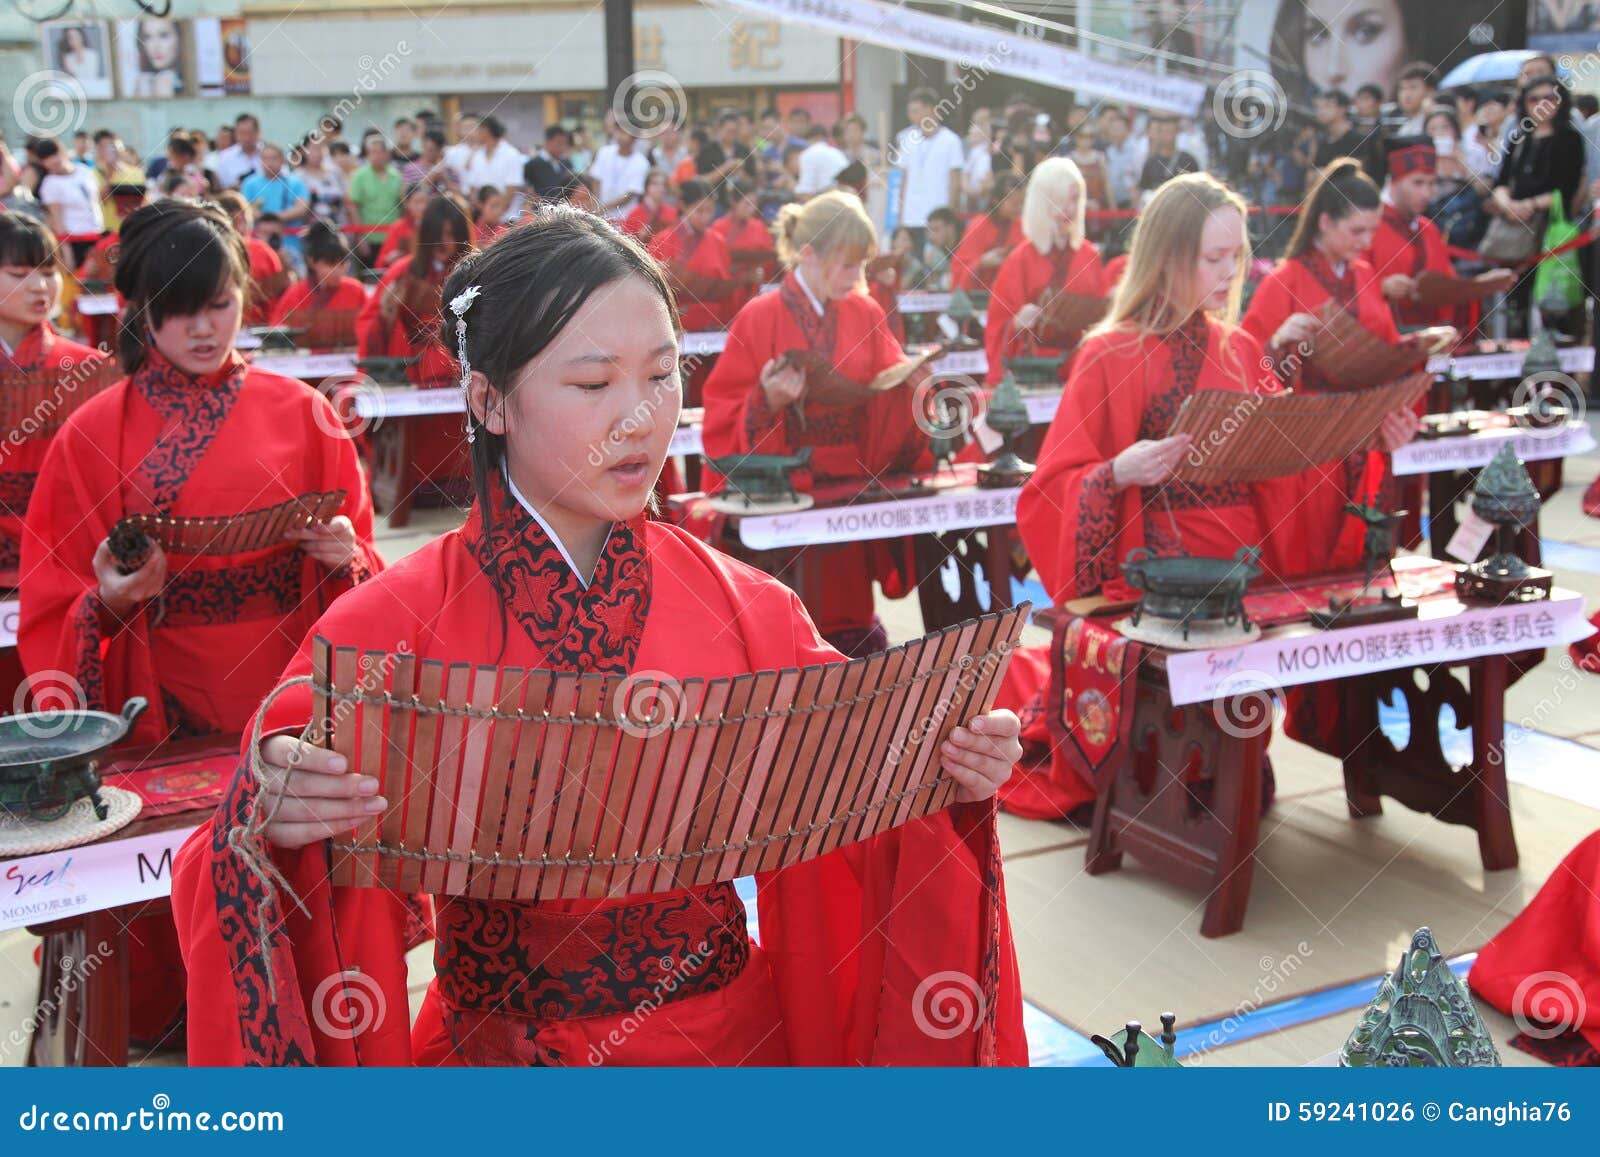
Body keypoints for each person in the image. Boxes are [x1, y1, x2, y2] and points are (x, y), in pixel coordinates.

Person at [169, 206, 1026, 1068]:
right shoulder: (389, 627)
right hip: (496, 1063)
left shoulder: (750, 610)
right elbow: (230, 857)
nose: (640, 418)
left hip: (730, 1049)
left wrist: (945, 765)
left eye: (662, 375)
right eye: (593, 384)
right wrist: (269, 813)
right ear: (488, 399)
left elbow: (868, 800)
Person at [20, 199, 379, 1047]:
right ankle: (172, 1022)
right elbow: (53, 597)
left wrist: (346, 560)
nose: (204, 327)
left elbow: (370, 589)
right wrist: (107, 598)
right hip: (156, 707)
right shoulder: (90, 432)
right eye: (181, 309)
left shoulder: (305, 414)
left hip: (280, 701)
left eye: (220, 303)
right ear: (140, 310)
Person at [1003, 175, 1313, 817]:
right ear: (1168, 257)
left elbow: (1289, 471)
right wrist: (1115, 472)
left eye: (1237, 257)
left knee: (1245, 791)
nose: (1232, 273)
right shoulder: (1108, 353)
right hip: (1150, 574)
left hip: (1242, 569)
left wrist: (1346, 439)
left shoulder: (1242, 347)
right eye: (1213, 258)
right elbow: (1049, 489)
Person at [701, 191, 934, 657]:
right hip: (787, 479)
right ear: (807, 255)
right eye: (848, 266)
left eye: (862, 266)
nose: (857, 278)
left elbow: (889, 376)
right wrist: (765, 400)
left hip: (851, 478)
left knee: (850, 616)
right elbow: (721, 409)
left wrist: (913, 383)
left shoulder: (866, 311)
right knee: (785, 609)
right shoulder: (759, 315)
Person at [1240, 159, 1435, 575]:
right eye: (1356, 231)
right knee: (1309, 564)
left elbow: (1384, 348)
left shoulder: (1365, 275)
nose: (1366, 242)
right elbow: (1244, 360)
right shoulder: (1284, 279)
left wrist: (1418, 346)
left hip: (1363, 438)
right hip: (1306, 445)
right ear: (1325, 222)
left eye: (1372, 231)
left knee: (1363, 563)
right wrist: (1276, 343)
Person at [0, 214, 111, 571]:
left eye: (49, 273)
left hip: (63, 558)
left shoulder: (93, 369)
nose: (40, 288)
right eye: (20, 275)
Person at [357, 193, 475, 493]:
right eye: (438, 235)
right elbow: (369, 326)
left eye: (452, 235)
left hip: (465, 362)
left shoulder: (478, 270)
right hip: (413, 365)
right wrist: (384, 318)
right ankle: (410, 482)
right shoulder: (403, 272)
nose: (445, 243)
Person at [984, 157, 1105, 385]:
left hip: (1082, 370)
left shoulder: (1089, 256)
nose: (1069, 210)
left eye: (1074, 201)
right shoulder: (1019, 260)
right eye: (1060, 202)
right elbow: (996, 327)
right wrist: (1016, 324)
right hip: (1033, 371)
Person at [1370, 137, 1512, 330]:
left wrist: (1482, 285)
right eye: (1417, 183)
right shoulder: (1368, 226)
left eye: (1431, 184)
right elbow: (1343, 289)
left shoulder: (1428, 229)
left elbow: (1447, 288)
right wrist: (1381, 288)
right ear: (1394, 182)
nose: (1427, 193)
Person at [1490, 76, 1587, 332]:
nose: (1542, 104)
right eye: (1534, 99)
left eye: (1550, 98)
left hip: (1551, 228)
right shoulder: (1518, 136)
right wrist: (1508, 204)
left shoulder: (1569, 138)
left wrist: (1530, 205)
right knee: (1514, 299)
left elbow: (1566, 189)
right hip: (1514, 229)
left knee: (1552, 303)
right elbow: (1500, 181)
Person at [894, 88, 965, 249]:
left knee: (935, 265)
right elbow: (903, 180)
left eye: (916, 111)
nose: (912, 116)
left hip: (937, 217)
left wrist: (951, 217)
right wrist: (900, 215)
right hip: (911, 216)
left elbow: (955, 183)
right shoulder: (907, 139)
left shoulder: (951, 140)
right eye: (910, 112)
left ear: (931, 109)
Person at [268, 220, 366, 330]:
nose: (338, 270)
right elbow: (276, 330)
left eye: (343, 263)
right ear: (312, 262)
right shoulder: (296, 293)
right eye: (330, 264)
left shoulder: (356, 290)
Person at [212, 190, 290, 326]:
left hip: (261, 327)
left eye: (245, 220)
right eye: (235, 222)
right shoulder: (211, 253)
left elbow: (281, 292)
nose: (242, 228)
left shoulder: (263, 251)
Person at [949, 174, 1024, 293]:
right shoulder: (978, 225)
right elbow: (959, 268)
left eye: (1022, 203)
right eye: (1014, 204)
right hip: (979, 295)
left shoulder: (1023, 226)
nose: (1019, 208)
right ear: (996, 201)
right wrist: (982, 262)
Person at [240, 144, 311, 270]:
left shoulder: (295, 182)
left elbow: (302, 208)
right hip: (259, 242)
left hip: (290, 243)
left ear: (282, 160)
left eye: (274, 158)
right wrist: (267, 218)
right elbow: (245, 209)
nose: (270, 162)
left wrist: (276, 217)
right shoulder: (250, 183)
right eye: (266, 158)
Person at [709, 177, 774, 313]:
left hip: (754, 292)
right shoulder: (719, 228)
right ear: (733, 202)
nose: (752, 209)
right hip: (728, 294)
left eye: (754, 204)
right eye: (747, 204)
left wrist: (760, 271)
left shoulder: (758, 226)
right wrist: (743, 275)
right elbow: (715, 267)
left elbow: (769, 260)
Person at [35, 139, 103, 264]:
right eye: (46, 159)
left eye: (54, 154)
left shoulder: (85, 171)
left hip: (97, 235)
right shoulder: (50, 183)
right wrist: (66, 252)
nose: (52, 161)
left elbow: (96, 200)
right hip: (75, 242)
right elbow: (57, 221)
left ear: (63, 151)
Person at [1313, 89, 1381, 182]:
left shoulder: (1361, 140)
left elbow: (1363, 177)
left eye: (1327, 106)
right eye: (1319, 107)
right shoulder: (1322, 140)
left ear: (1342, 109)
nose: (1321, 111)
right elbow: (1312, 175)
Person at [1137, 114, 1200, 204]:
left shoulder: (1188, 160)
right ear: (1159, 134)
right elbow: (1144, 190)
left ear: (1176, 133)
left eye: (1171, 131)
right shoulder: (1151, 162)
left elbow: (1197, 189)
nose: (1168, 135)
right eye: (1164, 132)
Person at [588, 128, 649, 221]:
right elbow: (596, 180)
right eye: (619, 131)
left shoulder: (641, 162)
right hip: (599, 215)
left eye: (624, 133)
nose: (620, 136)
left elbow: (631, 194)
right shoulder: (604, 152)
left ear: (634, 138)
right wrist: (597, 204)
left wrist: (604, 208)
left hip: (624, 217)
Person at [461, 115, 525, 199]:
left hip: (508, 211)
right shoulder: (477, 156)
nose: (473, 133)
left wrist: (497, 210)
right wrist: (481, 208)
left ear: (485, 130)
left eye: (476, 130)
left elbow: (512, 188)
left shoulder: (511, 154)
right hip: (482, 210)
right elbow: (473, 187)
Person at [293, 136, 345, 226]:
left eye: (321, 148)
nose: (317, 153)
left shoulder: (335, 173)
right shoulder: (297, 176)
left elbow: (345, 200)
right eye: (313, 149)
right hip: (310, 228)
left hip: (337, 226)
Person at [130, 17, 183, 98]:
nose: (155, 46)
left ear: (180, 37)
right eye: (147, 37)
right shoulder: (143, 82)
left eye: (163, 35)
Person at [621, 168, 677, 241]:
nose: (661, 188)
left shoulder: (672, 213)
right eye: (655, 184)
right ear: (647, 187)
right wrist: (639, 238)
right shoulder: (635, 214)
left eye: (664, 185)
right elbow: (624, 243)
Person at [525, 125, 578, 201]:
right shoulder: (532, 165)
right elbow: (528, 191)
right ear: (548, 142)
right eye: (559, 143)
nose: (563, 147)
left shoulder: (567, 163)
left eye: (565, 143)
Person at [795, 125, 848, 198]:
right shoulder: (838, 153)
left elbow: (805, 191)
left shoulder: (807, 154)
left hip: (828, 200)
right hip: (847, 199)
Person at [212, 113, 263, 189]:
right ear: (236, 134)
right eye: (242, 133)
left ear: (258, 132)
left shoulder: (271, 155)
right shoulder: (225, 157)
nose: (246, 138)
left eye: (249, 132)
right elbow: (220, 188)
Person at [919, 208, 962, 291]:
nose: (931, 237)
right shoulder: (940, 251)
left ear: (951, 227)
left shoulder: (963, 247)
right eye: (929, 231)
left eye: (936, 230)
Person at [1394, 61, 1437, 136]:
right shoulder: (1404, 129)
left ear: (1430, 91)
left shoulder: (1440, 125)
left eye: (1413, 87)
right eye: (1402, 88)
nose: (1406, 94)